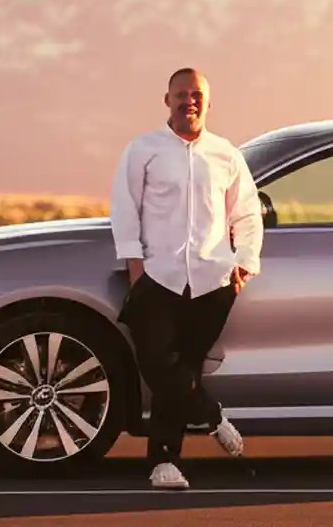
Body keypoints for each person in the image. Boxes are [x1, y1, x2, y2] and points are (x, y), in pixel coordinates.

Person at [109, 67, 264, 490]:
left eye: (196, 95)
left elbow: (247, 213)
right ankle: (211, 417)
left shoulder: (226, 155)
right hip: (157, 277)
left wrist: (245, 263)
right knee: (157, 362)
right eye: (181, 94)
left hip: (214, 281)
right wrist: (135, 267)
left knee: (184, 370)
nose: (189, 101)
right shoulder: (143, 150)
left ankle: (164, 464)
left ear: (208, 103)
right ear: (167, 100)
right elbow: (125, 209)